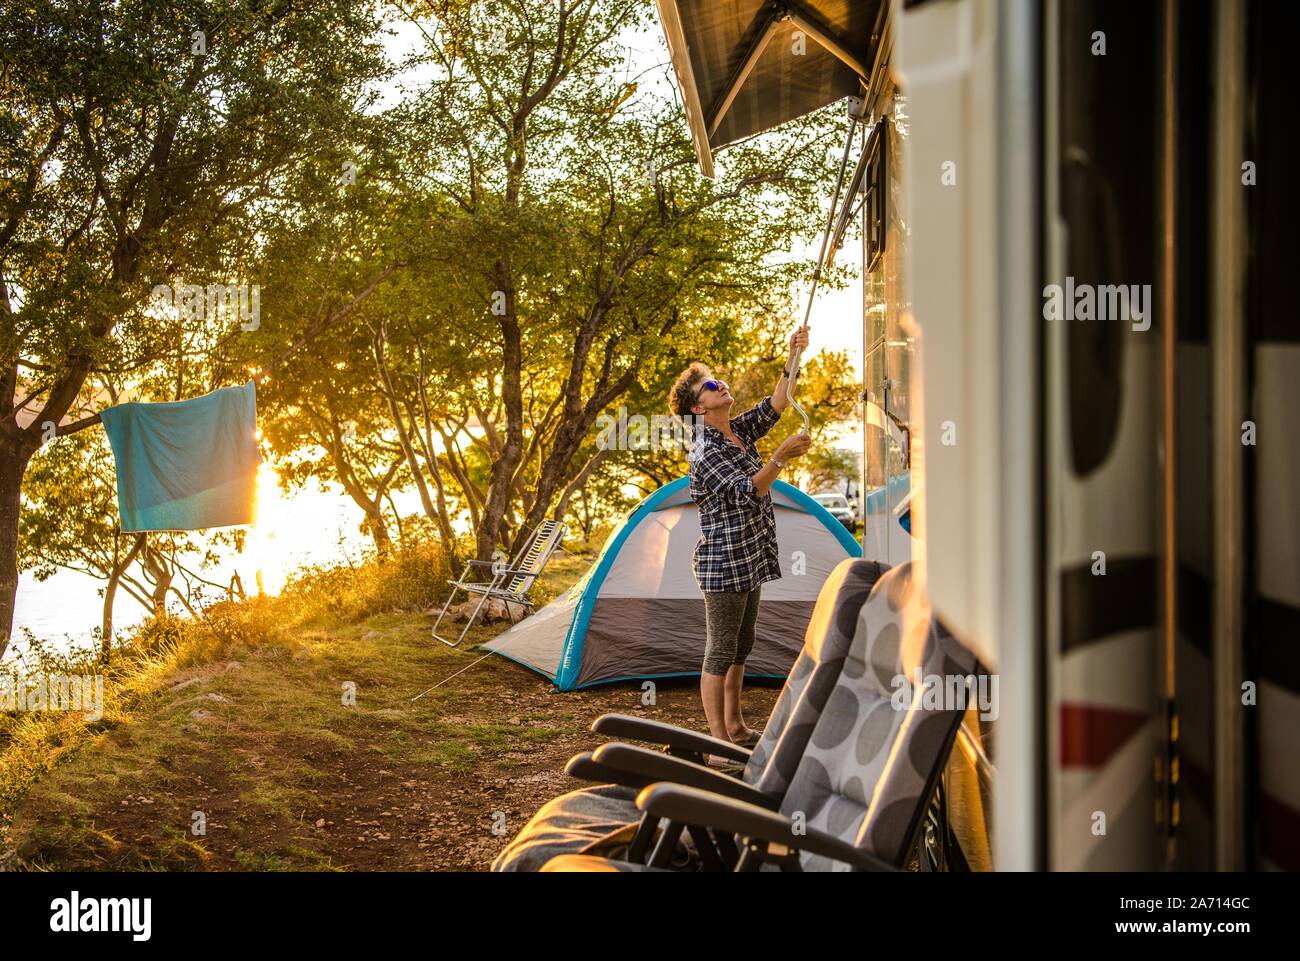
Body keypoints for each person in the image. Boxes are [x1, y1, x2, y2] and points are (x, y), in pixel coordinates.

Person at [667, 325, 812, 764]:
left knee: (742, 644)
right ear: (698, 406)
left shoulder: (737, 432)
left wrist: (793, 355)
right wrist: (780, 458)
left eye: (718, 379)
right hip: (724, 563)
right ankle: (717, 745)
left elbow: (777, 404)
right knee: (720, 647)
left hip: (750, 556)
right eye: (710, 385)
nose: (720, 384)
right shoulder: (704, 451)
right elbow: (751, 489)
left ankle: (736, 726)